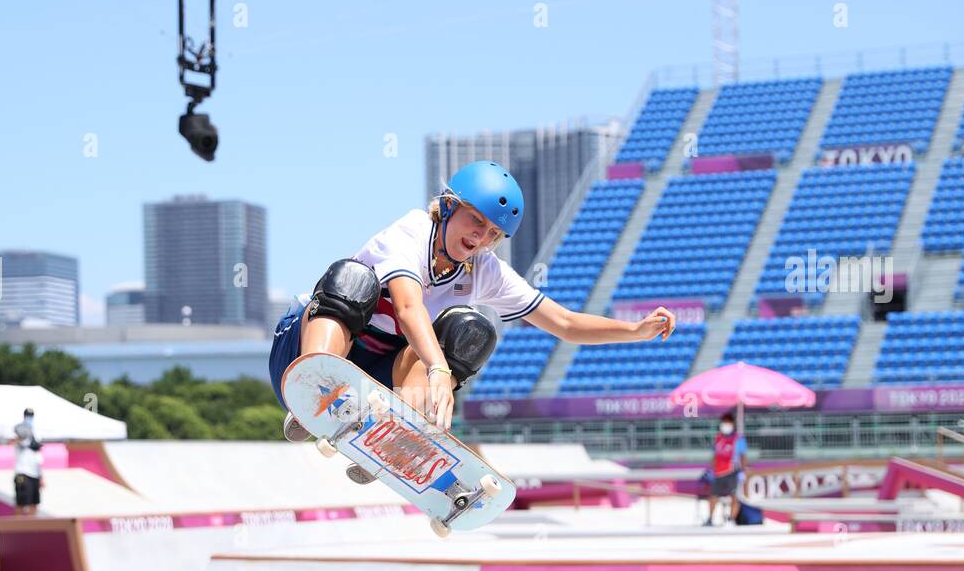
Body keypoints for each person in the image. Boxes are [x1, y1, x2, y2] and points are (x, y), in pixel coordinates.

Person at [267, 161, 676, 480]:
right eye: (476, 221)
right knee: (352, 280)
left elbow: (563, 323)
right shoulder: (411, 232)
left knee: (471, 331)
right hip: (302, 346)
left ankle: (389, 438)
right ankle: (313, 389)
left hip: (374, 371)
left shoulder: (484, 270)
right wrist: (438, 370)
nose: (480, 238)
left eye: (493, 233)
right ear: (448, 206)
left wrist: (634, 331)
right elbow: (408, 308)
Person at [705, 412, 748, 526]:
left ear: (733, 424)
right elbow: (715, 455)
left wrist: (743, 472)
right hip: (718, 473)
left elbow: (743, 456)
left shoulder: (738, 439)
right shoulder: (718, 438)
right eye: (724, 422)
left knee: (734, 497)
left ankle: (731, 520)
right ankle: (710, 519)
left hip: (732, 472)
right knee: (713, 496)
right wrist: (712, 469)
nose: (725, 425)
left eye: (727, 422)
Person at [12, 408, 44, 516]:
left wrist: (41, 477)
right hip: (23, 474)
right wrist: (22, 435)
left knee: (34, 503)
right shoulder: (19, 432)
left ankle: (32, 528)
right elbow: (13, 440)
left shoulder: (36, 435)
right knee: (21, 503)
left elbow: (39, 460)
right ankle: (17, 528)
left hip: (34, 475)